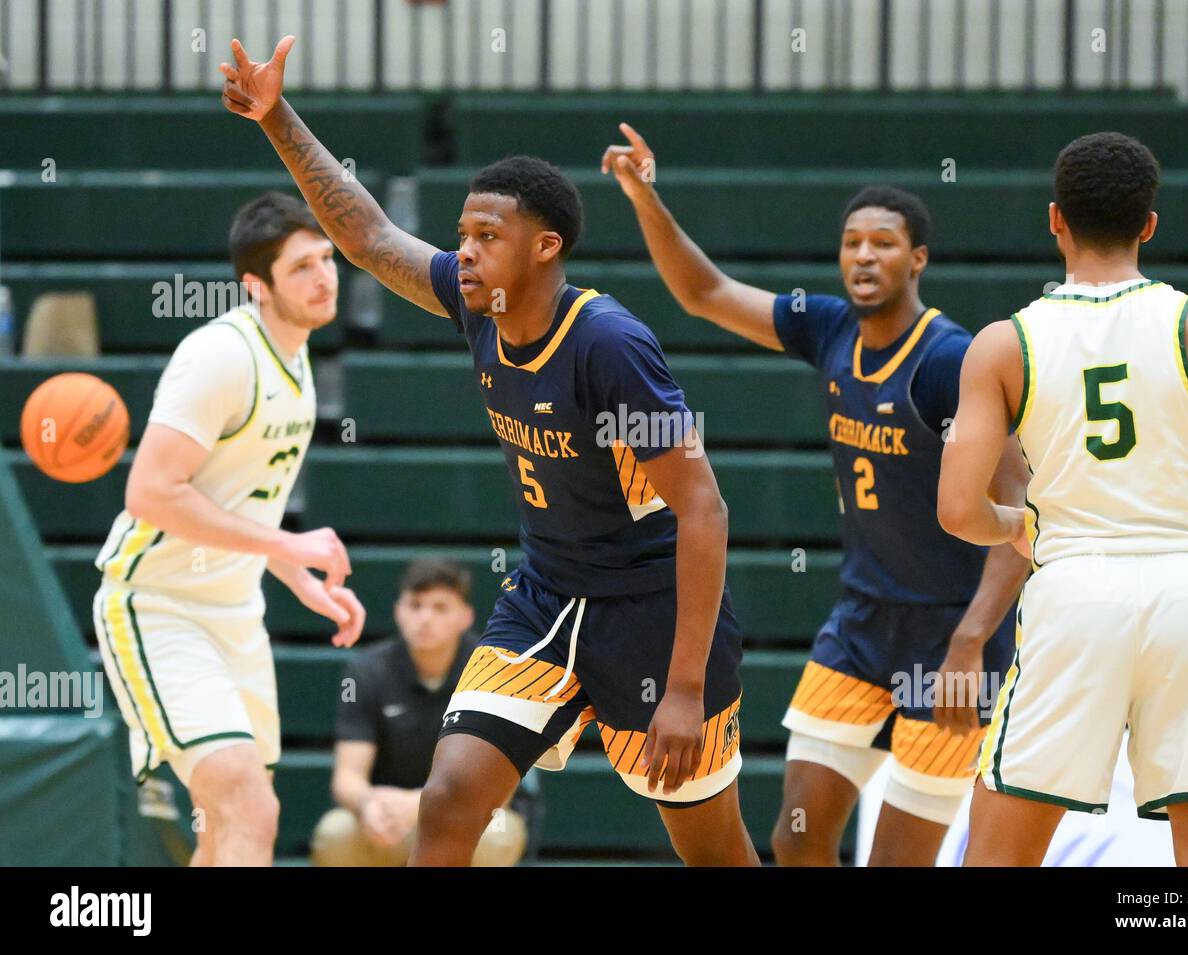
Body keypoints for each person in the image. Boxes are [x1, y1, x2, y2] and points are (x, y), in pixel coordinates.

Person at [219, 36, 758, 866]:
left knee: (711, 847)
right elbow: (366, 235)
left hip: (653, 611)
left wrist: (683, 688)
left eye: (486, 235)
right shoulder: (478, 304)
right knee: (450, 799)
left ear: (545, 247)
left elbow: (704, 507)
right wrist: (274, 115)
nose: (464, 250)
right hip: (544, 596)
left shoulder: (609, 346)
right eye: (461, 233)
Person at [600, 125, 1027, 865]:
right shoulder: (829, 327)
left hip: (954, 634)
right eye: (852, 242)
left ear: (917, 259)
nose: (864, 255)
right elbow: (705, 292)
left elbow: (1023, 509)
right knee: (795, 837)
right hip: (860, 623)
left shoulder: (948, 360)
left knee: (898, 860)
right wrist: (644, 195)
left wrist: (971, 643)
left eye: (884, 243)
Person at [938, 130, 1188, 866]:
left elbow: (955, 508)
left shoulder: (1006, 345)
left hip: (1075, 594)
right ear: (1149, 224)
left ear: (1055, 220)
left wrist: (1015, 523)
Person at [93, 191, 366, 867]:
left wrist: (297, 578)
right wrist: (284, 545)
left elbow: (245, 504)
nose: (325, 276)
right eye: (302, 266)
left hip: (235, 614)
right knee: (247, 803)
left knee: (232, 826)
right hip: (159, 605)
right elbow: (151, 491)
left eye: (326, 259)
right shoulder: (219, 356)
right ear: (258, 285)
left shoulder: (298, 360)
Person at [312, 558, 532, 867]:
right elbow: (347, 777)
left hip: (464, 817)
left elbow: (498, 791)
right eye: (415, 605)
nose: (425, 618)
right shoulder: (366, 670)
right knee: (336, 833)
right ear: (398, 611)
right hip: (389, 822)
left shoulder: (491, 671)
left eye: (440, 608)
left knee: (499, 830)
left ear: (465, 617)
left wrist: (415, 804)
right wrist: (368, 806)